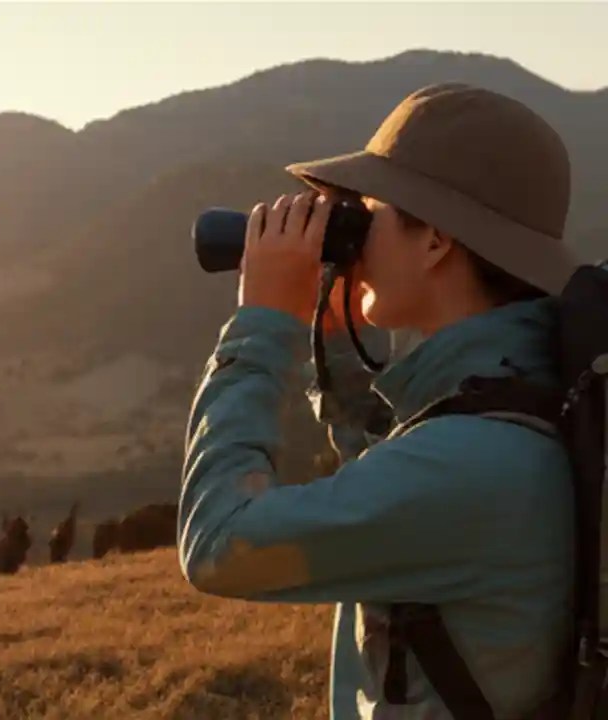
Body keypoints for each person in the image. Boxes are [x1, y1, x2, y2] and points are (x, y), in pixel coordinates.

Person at [179, 83, 582, 718]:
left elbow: (217, 545)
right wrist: (335, 345)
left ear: (435, 241)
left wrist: (262, 326)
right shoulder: (519, 401)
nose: (354, 238)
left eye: (370, 211)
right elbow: (394, 482)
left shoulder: (475, 461)